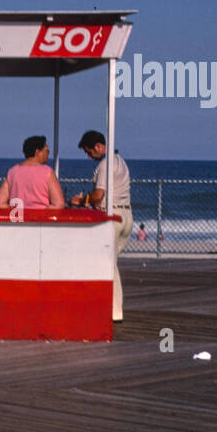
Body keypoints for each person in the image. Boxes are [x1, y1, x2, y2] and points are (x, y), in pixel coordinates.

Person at [70, 130, 132, 322]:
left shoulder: (105, 164)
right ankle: (112, 307)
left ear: (98, 146)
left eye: (89, 152)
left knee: (108, 264)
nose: (89, 157)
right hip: (126, 215)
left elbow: (98, 196)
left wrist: (82, 201)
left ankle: (114, 311)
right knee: (111, 262)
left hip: (113, 216)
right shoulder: (120, 160)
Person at [0, 135, 64, 210]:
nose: (48, 154)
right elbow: (58, 204)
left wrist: (14, 211)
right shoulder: (47, 172)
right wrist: (42, 212)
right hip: (40, 217)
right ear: (37, 152)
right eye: (47, 151)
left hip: (17, 216)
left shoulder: (13, 172)